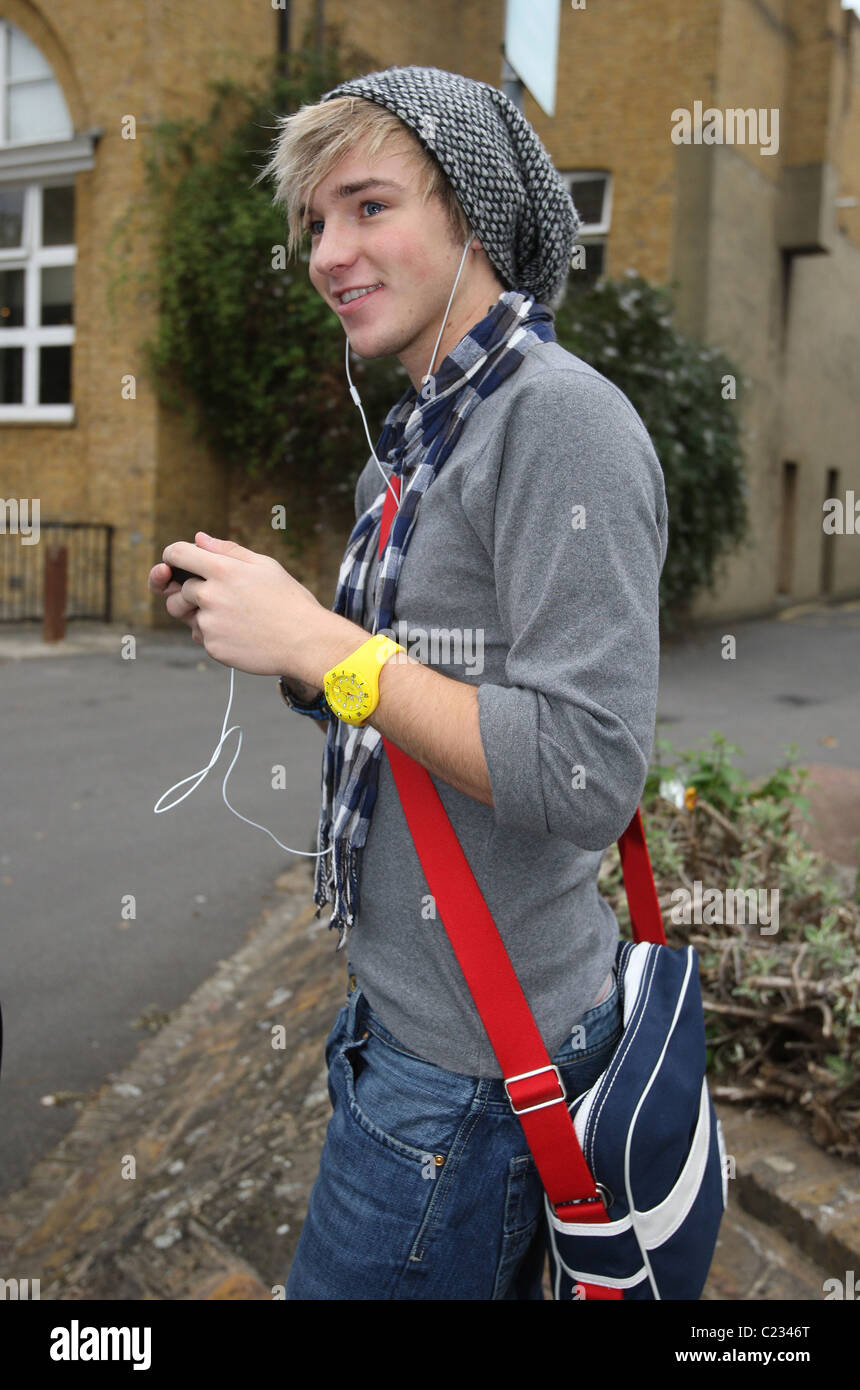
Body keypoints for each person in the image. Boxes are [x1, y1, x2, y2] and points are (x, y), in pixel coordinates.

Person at [152, 65, 668, 1299]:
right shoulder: (416, 444)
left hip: (475, 1075)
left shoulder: (559, 423)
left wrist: (328, 645)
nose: (328, 252)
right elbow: (407, 695)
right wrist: (288, 637)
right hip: (398, 1024)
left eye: (367, 206)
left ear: (473, 219)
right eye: (316, 223)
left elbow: (583, 770)